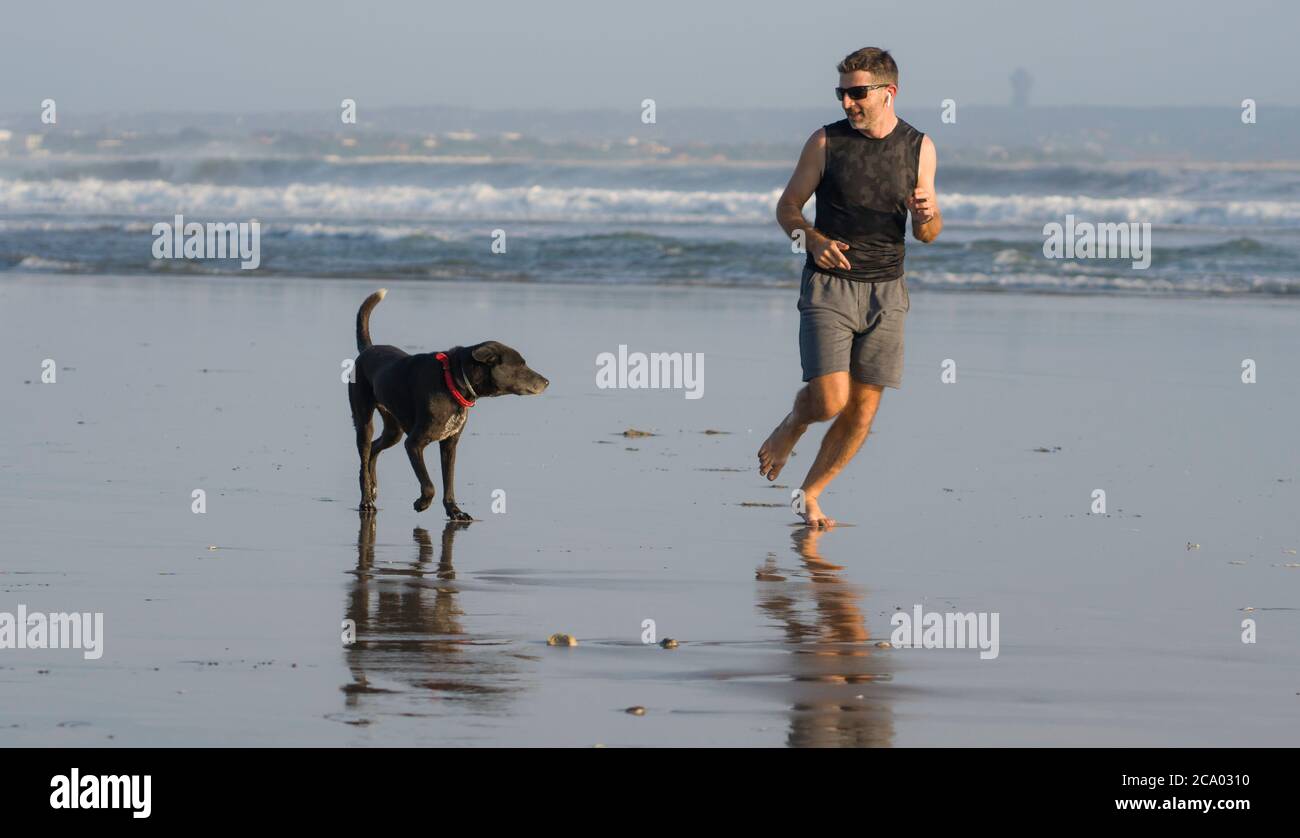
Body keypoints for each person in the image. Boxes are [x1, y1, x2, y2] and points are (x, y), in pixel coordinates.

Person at [757, 47, 942, 528]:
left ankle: (811, 493)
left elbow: (927, 232)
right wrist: (812, 241)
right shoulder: (825, 142)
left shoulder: (920, 147)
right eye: (842, 93)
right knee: (829, 400)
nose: (847, 103)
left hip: (888, 291)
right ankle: (792, 425)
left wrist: (928, 218)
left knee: (861, 413)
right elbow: (787, 208)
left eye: (857, 93)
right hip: (829, 287)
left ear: (888, 92)